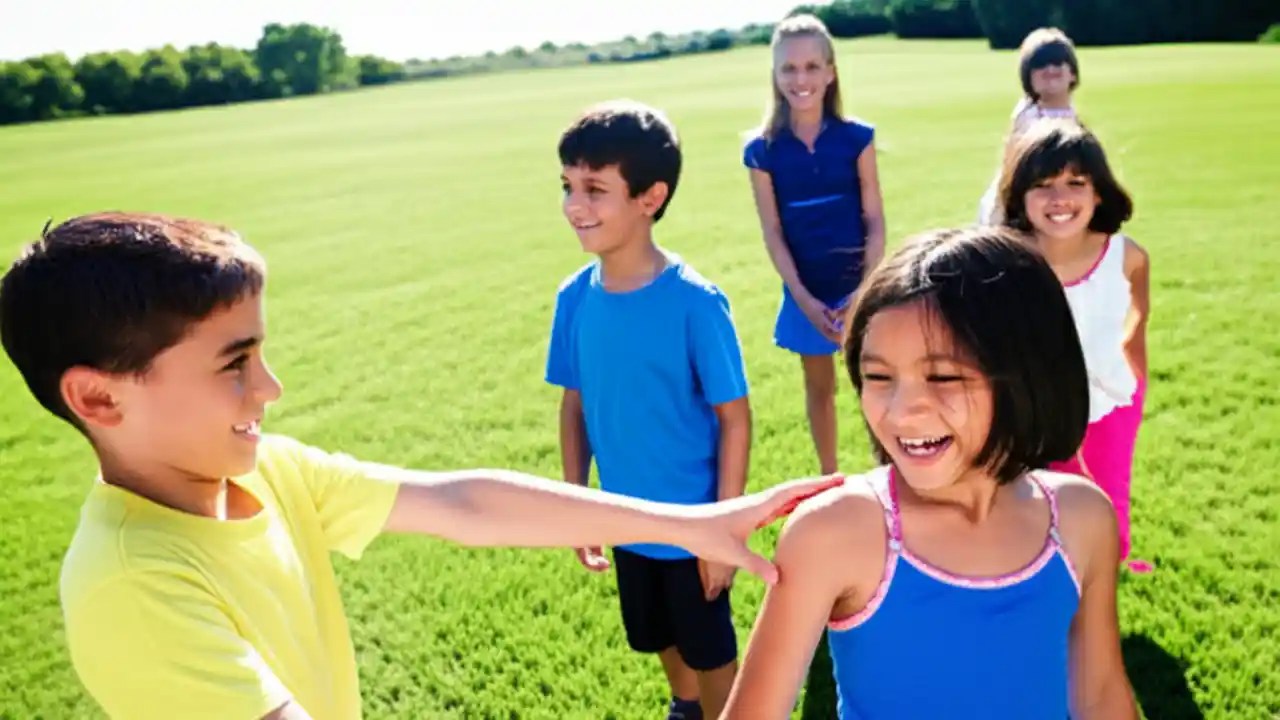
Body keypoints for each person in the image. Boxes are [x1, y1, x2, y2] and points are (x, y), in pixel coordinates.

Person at [0, 211, 841, 720]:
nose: (272, 387)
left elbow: (461, 504)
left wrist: (687, 522)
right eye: (235, 363)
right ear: (100, 400)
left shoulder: (263, 472)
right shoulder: (132, 587)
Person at [722, 227, 1138, 719]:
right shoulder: (835, 531)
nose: (902, 412)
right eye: (878, 377)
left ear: (1028, 374)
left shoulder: (1080, 517)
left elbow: (1102, 695)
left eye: (942, 377)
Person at [546, 99, 753, 720]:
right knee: (656, 634)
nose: (574, 205)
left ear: (650, 197)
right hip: (624, 517)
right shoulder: (574, 300)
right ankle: (685, 707)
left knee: (710, 649)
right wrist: (578, 506)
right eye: (567, 187)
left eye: (594, 189)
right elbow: (574, 406)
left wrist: (724, 531)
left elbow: (735, 419)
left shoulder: (695, 303)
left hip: (694, 528)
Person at [1001, 118, 1152, 572]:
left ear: (1098, 192)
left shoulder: (1127, 255)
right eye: (1042, 185)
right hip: (1035, 405)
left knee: (1102, 496)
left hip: (1109, 402)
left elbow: (1138, 318)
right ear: (1019, 196)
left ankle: (1097, 587)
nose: (1059, 198)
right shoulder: (1010, 258)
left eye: (1075, 182)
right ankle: (1038, 584)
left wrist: (1131, 381)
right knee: (1033, 500)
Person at [742, 13, 886, 476]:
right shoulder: (762, 150)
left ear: (830, 71)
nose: (800, 79)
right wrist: (804, 300)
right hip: (806, 293)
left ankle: (891, 469)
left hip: (861, 287)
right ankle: (831, 478)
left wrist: (865, 291)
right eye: (788, 69)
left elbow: (874, 218)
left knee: (875, 382)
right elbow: (773, 232)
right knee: (820, 387)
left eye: (810, 67)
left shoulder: (856, 138)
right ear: (775, 75)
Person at [977, 27, 1081, 224]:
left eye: (1058, 62)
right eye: (1040, 65)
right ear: (1028, 78)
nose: (1050, 70)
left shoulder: (1072, 114)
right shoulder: (1029, 116)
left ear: (1073, 74)